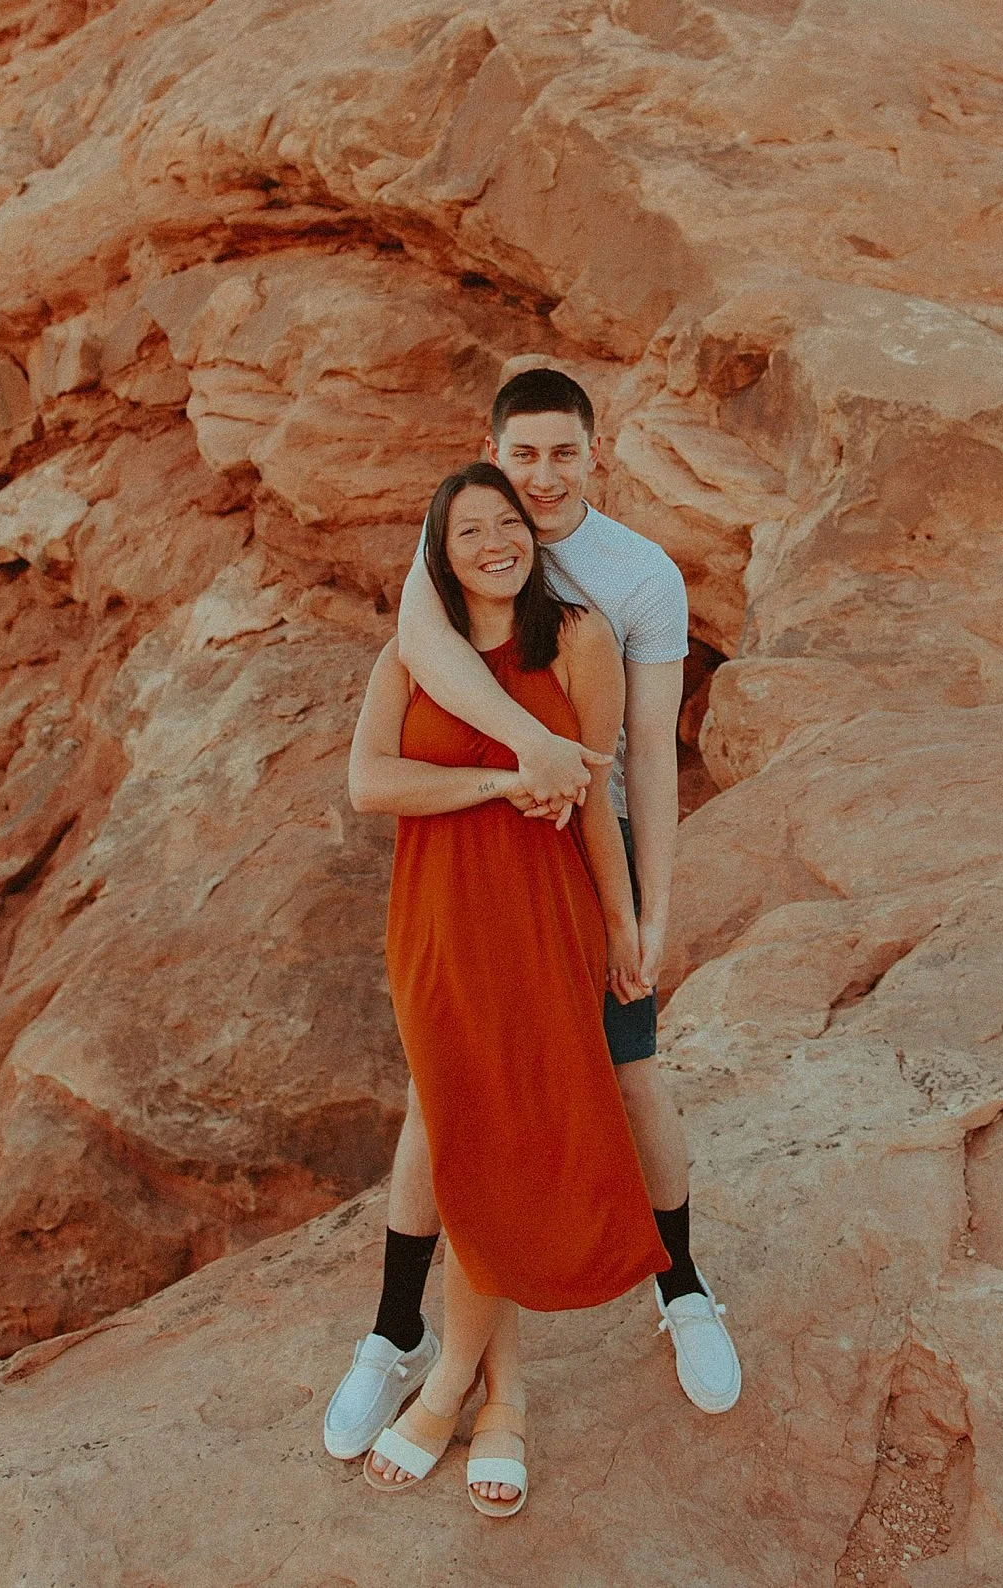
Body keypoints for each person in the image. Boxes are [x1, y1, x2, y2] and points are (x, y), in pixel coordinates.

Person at [323, 370, 741, 1469]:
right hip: (479, 866)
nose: (542, 478)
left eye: (563, 453)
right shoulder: (452, 551)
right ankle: (397, 1330)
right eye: (524, 456)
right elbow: (421, 668)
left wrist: (648, 909)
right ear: (494, 452)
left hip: (586, 858)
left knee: (632, 1074)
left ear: (595, 452)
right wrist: (529, 757)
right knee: (444, 1102)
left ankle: (682, 1286)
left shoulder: (636, 579)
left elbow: (643, 759)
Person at [347, 462, 668, 1512]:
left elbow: (595, 795)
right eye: (469, 531)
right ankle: (497, 1389)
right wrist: (501, 777)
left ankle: (460, 1387)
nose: (496, 543)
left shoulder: (577, 638)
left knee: (507, 1142)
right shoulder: (412, 653)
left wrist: (623, 927)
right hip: (439, 922)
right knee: (462, 1134)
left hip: (542, 919)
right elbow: (371, 783)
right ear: (439, 555)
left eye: (508, 523)